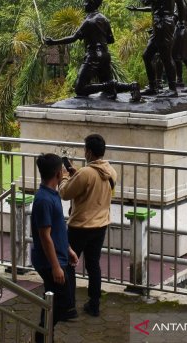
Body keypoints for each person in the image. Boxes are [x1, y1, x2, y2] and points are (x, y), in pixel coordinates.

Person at [45, 0, 141, 102]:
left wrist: (53, 42)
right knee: (107, 88)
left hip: (93, 56)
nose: (83, 5)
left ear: (92, 2)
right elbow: (111, 40)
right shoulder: (104, 19)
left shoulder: (89, 21)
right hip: (105, 55)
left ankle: (110, 85)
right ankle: (131, 86)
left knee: (80, 89)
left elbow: (73, 38)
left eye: (85, 2)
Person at [59, 134, 116, 317]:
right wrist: (77, 176)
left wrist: (66, 177)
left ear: (89, 152)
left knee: (69, 264)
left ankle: (69, 307)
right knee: (93, 265)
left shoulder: (85, 173)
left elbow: (65, 193)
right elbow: (95, 190)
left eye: (85, 149)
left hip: (80, 226)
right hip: (101, 225)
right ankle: (94, 304)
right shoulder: (111, 171)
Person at [31, 154, 78, 342]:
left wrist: (68, 249)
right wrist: (56, 266)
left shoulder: (52, 195)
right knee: (63, 300)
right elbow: (45, 236)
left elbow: (57, 228)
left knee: (54, 298)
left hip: (58, 255)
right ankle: (41, 334)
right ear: (58, 173)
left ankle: (45, 336)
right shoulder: (43, 199)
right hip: (49, 261)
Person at [127, 0, 179, 97]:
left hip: (163, 23)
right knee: (147, 55)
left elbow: (146, 0)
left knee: (165, 56)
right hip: (159, 23)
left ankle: (172, 89)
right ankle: (153, 86)